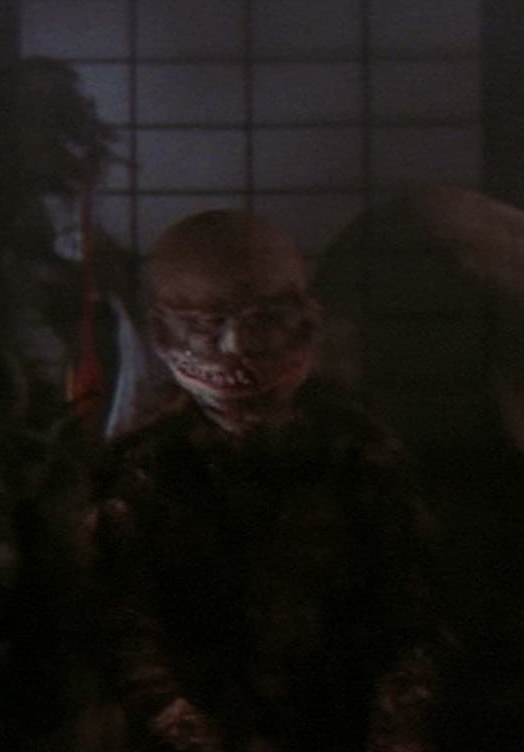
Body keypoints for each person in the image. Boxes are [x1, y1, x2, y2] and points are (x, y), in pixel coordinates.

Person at [91, 210, 441, 752]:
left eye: (266, 319)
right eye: (205, 325)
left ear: (307, 321)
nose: (236, 345)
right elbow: (125, 630)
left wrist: (396, 732)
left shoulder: (359, 451)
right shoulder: (144, 468)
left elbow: (411, 615)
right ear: (161, 332)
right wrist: (183, 729)